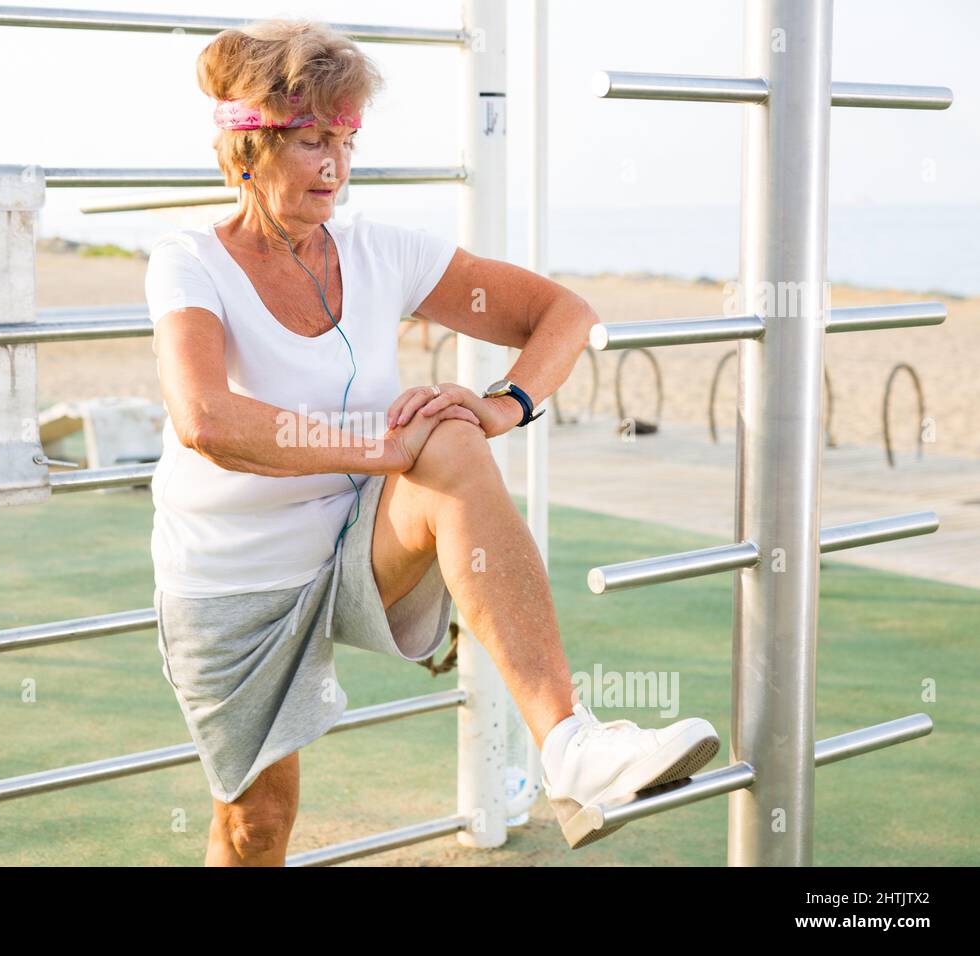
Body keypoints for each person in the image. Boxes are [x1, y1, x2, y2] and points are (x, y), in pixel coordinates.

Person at [145, 19, 720, 867]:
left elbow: (564, 316)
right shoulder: (190, 260)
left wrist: (504, 402)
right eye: (311, 141)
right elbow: (207, 420)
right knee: (258, 824)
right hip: (232, 574)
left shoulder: (383, 251)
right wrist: (375, 447)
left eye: (346, 138)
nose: (336, 165)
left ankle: (571, 748)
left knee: (450, 435)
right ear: (246, 151)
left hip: (357, 546)